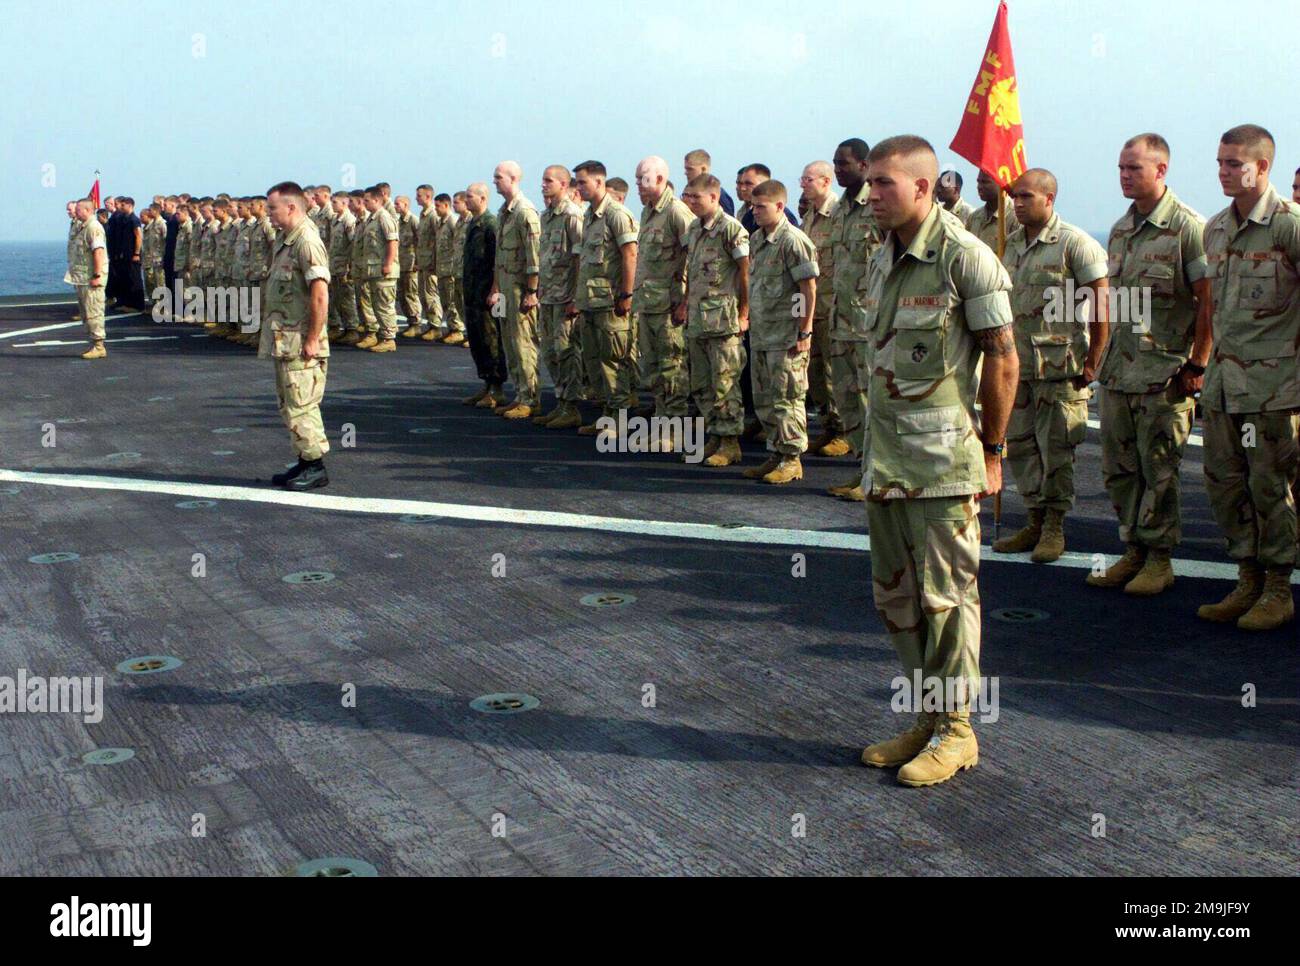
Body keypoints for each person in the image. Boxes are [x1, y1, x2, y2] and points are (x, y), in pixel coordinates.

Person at [855, 135, 1017, 788]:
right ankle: (926, 716)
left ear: (922, 187)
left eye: (883, 183)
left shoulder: (966, 259)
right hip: (888, 462)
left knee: (946, 600)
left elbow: (1003, 358)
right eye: (868, 183)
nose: (870, 195)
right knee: (895, 599)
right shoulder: (882, 259)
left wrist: (995, 453)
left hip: (944, 465)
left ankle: (958, 731)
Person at [1088, 133, 1211, 596]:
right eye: (1121, 168)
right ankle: (1133, 550)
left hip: (1164, 375)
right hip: (1120, 372)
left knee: (1159, 469)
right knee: (1120, 470)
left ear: (1161, 170)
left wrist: (1196, 363)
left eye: (1133, 168)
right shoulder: (1121, 230)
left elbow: (1207, 303)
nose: (1124, 176)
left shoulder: (1187, 228)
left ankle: (1160, 558)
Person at [1197, 124, 1299, 630]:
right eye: (1220, 162)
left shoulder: (1288, 225)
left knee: (1269, 486)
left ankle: (1278, 587)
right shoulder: (1214, 228)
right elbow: (1215, 309)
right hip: (1223, 385)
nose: (1224, 171)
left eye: (1234, 163)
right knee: (1225, 483)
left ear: (1262, 167)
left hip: (1274, 390)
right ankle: (1247, 579)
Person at [993, 169, 1110, 562]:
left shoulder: (1075, 245)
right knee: (1023, 447)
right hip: (1017, 367)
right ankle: (1033, 519)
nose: (1017, 203)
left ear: (1049, 199)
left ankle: (1055, 526)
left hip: (1061, 368)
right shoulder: (1008, 244)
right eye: (1014, 196)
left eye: (1026, 196)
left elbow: (1102, 305)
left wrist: (1095, 360)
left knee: (1056, 449)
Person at [742, 179, 818, 483]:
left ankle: (791, 458)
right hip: (763, 335)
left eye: (760, 206)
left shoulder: (793, 241)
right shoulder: (758, 240)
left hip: (786, 337)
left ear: (779, 206)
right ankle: (775, 452)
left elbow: (806, 289)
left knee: (788, 398)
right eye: (752, 206)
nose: (754, 211)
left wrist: (803, 330)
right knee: (765, 399)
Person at [259, 181, 331, 491]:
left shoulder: (307, 241)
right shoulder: (285, 240)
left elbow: (319, 294)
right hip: (284, 339)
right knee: (289, 403)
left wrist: (313, 338)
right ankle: (304, 460)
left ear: (291, 207)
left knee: (302, 404)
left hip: (301, 341)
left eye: (272, 209)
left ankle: (315, 466)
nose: (269, 215)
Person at [826, 137, 885, 501]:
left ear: (864, 165)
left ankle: (876, 476)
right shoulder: (840, 210)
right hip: (842, 321)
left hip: (869, 324)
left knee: (870, 403)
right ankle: (862, 468)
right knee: (848, 402)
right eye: (835, 163)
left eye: (844, 163)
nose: (838, 170)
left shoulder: (878, 206)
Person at [681, 173, 749, 466]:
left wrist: (745, 313)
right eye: (688, 196)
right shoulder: (695, 228)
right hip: (698, 319)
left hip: (723, 322)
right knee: (701, 383)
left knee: (724, 383)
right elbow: (693, 272)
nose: (691, 202)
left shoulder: (731, 229)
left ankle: (730, 441)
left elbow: (746, 272)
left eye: (696, 197)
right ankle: (715, 435)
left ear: (713, 197)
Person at [631, 155, 694, 449]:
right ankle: (661, 425)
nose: (638, 187)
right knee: (654, 371)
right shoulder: (648, 212)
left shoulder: (676, 212)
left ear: (659, 179)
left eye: (642, 180)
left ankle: (676, 431)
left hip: (670, 306)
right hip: (648, 304)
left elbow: (696, 258)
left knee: (673, 371)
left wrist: (685, 302)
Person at [573, 160, 639, 437]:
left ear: (599, 182)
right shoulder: (590, 215)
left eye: (583, 182)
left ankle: (621, 419)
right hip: (590, 301)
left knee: (614, 361)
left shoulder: (617, 214)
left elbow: (630, 255)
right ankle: (607, 415)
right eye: (577, 182)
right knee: (595, 360)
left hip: (611, 302)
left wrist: (626, 294)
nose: (579, 188)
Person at [798, 160, 847, 457]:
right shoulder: (809, 219)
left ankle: (843, 431)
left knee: (835, 372)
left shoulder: (840, 214)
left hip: (835, 309)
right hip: (812, 310)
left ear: (826, 181)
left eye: (808, 179)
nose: (802, 184)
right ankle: (828, 427)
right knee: (815, 372)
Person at [488, 161, 543, 418]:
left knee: (523, 343)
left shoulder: (525, 212)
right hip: (504, 289)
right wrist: (495, 288)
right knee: (510, 343)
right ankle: (520, 393)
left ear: (513, 178)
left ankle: (531, 398)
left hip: (521, 290)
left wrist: (532, 292)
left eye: (498, 177)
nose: (495, 181)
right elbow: (500, 256)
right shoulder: (503, 212)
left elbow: (534, 258)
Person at [533, 165, 585, 429]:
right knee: (550, 352)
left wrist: (575, 296)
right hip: (550, 295)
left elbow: (579, 257)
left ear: (564, 185)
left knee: (566, 352)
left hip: (565, 296)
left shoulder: (571, 215)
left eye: (549, 180)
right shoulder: (548, 216)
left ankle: (571, 406)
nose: (543, 185)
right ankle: (561, 402)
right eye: (543, 180)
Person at [462, 183, 507, 406]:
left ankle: (497, 388)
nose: (465, 199)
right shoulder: (472, 224)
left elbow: (498, 261)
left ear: (482, 199)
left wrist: (495, 290)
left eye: (469, 196)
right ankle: (486, 384)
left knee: (492, 339)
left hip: (487, 292)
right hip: (472, 292)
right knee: (477, 340)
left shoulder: (490, 224)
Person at [358, 186, 400, 352]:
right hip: (374, 270)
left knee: (385, 305)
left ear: (376, 200)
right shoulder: (372, 219)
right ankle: (384, 335)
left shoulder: (384, 217)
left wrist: (388, 263)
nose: (364, 203)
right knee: (377, 305)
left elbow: (392, 241)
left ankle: (389, 339)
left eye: (367, 200)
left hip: (384, 271)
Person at [67, 198, 109, 359]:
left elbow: (98, 251)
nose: (75, 212)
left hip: (91, 277)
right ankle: (94, 343)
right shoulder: (81, 226)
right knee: (86, 312)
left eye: (78, 209)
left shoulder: (93, 227)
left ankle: (99, 345)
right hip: (82, 277)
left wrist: (97, 275)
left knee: (94, 311)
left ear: (87, 210)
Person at [326, 191, 357, 341]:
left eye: (335, 202)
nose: (332, 205)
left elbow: (353, 244)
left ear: (344, 203)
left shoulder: (349, 220)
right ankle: (342, 328)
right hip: (335, 266)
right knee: (337, 299)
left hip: (344, 267)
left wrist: (349, 267)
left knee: (346, 299)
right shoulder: (335, 220)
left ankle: (351, 329)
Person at [412, 184, 442, 338]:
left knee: (431, 295)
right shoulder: (423, 215)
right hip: (423, 261)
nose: (416, 198)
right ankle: (431, 324)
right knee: (424, 295)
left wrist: (435, 261)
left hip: (431, 262)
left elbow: (439, 240)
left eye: (419, 195)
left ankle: (436, 326)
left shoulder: (433, 215)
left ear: (428, 196)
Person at [439, 192, 468, 345]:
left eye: (457, 202)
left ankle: (463, 332)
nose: (454, 205)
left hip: (463, 270)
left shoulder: (466, 221)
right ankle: (457, 330)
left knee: (463, 303)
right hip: (454, 268)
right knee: (455, 302)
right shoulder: (459, 222)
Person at [965, 169, 1016, 250]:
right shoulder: (974, 217)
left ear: (1000, 183)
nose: (979, 187)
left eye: (985, 182)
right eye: (978, 182)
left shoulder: (1015, 217)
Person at [395, 195, 423, 336]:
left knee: (411, 293)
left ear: (406, 205)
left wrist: (418, 262)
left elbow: (420, 242)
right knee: (402, 295)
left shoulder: (413, 220)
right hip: (401, 263)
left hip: (411, 264)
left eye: (398, 204)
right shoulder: (398, 221)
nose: (395, 206)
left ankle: (416, 323)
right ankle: (410, 321)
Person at [684, 149, 736, 215]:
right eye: (686, 169)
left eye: (690, 169)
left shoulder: (721, 195)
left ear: (703, 169)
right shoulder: (687, 192)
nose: (686, 173)